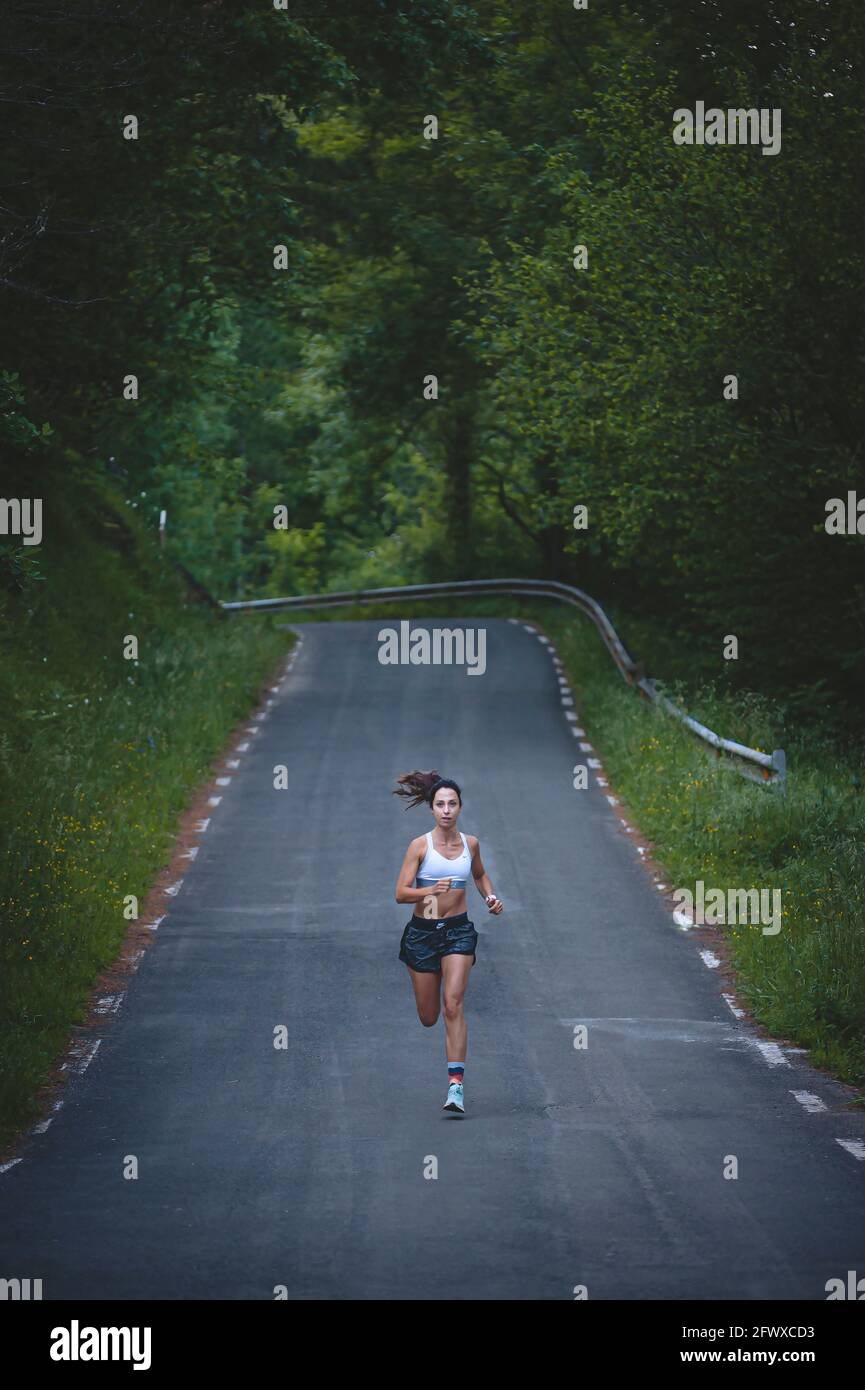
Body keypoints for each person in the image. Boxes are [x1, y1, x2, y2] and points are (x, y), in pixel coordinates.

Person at [393, 769, 503, 1113]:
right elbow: (400, 893)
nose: (446, 810)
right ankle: (452, 1075)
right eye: (440, 804)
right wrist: (430, 890)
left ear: (459, 807)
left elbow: (480, 874)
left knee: (453, 1004)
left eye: (452, 804)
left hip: (457, 931)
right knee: (428, 1017)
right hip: (422, 935)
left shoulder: (470, 844)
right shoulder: (419, 846)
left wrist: (490, 897)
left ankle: (455, 1086)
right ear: (431, 809)